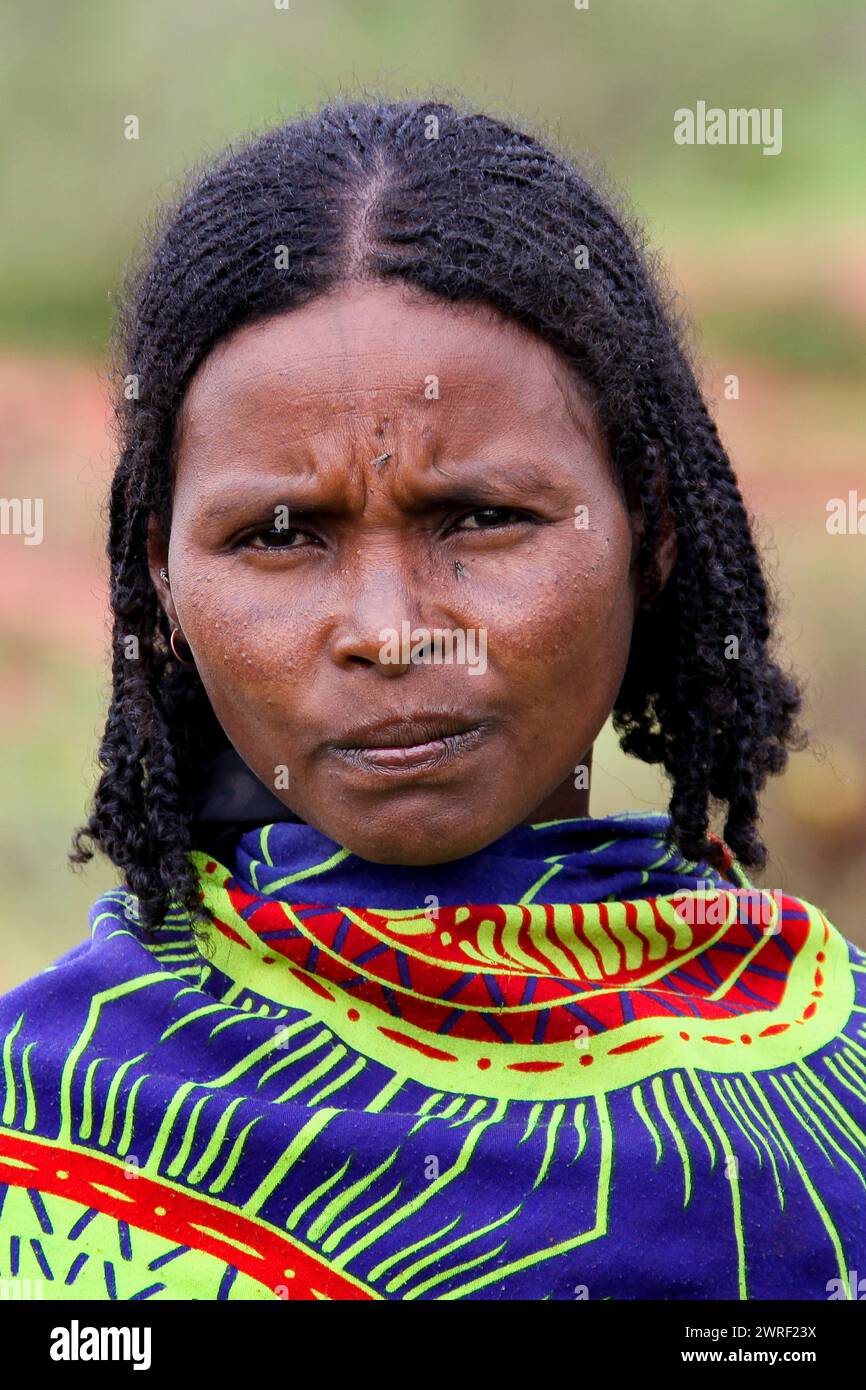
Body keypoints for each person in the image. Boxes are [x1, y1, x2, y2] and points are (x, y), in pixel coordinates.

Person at [1, 97, 863, 1302]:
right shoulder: (37, 1107)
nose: (387, 629)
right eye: (279, 534)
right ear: (162, 570)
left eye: (481, 518)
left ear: (649, 527)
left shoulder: (835, 1086)